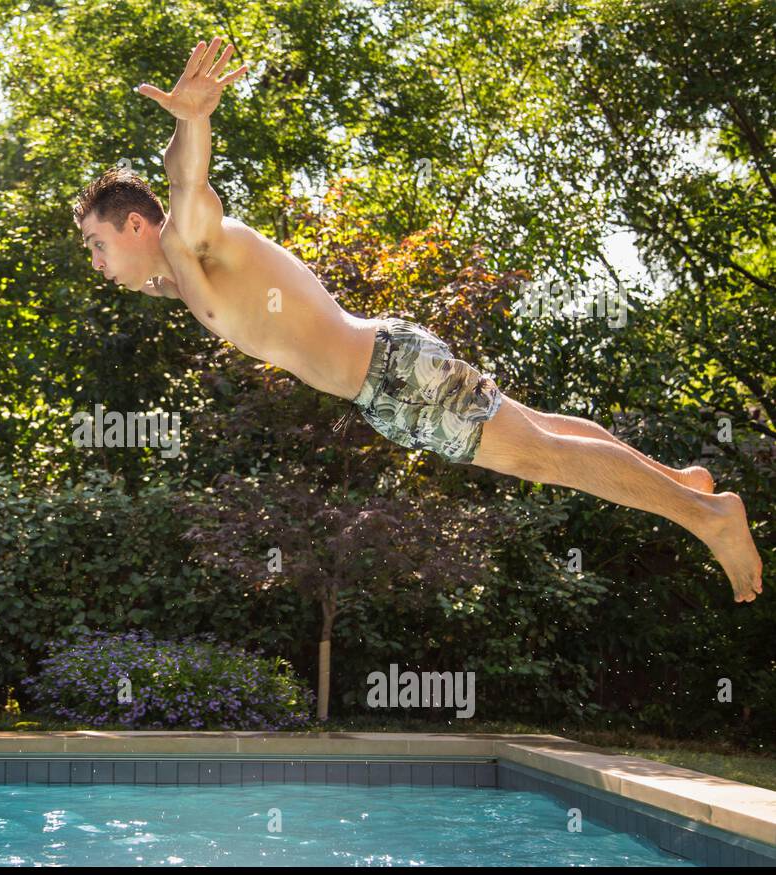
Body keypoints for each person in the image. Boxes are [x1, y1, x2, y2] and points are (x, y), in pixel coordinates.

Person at [72, 36, 763, 603]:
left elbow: (186, 180)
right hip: (389, 378)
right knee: (543, 432)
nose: (97, 263)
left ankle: (708, 517)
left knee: (542, 458)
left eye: (99, 245)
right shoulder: (177, 278)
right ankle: (680, 482)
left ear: (136, 224)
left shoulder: (190, 237)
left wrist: (191, 119)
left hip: (393, 376)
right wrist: (147, 277)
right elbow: (170, 276)